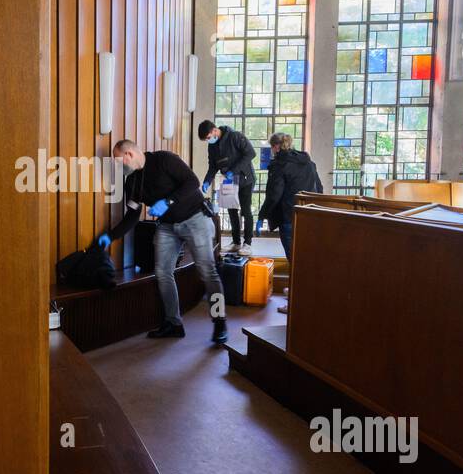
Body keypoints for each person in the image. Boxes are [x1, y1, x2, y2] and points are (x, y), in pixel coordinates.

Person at [97, 140, 228, 344]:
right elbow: (132, 215)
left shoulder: (164, 160)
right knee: (162, 272)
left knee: (207, 271)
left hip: (195, 219)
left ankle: (219, 321)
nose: (118, 166)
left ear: (129, 154)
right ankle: (173, 323)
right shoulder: (131, 182)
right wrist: (111, 236)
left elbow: (192, 182)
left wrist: (167, 202)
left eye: (118, 160)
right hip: (167, 227)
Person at [255, 133, 322, 261]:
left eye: (272, 147)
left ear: (276, 147)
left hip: (288, 215)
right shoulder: (308, 162)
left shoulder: (279, 165)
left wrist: (262, 215)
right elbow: (319, 188)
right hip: (309, 214)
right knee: (308, 255)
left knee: (293, 257)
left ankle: (297, 280)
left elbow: (274, 194)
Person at [197, 120, 257, 256]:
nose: (208, 140)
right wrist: (207, 181)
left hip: (245, 179)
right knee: (231, 210)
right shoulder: (212, 146)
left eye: (208, 137)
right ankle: (236, 243)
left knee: (246, 210)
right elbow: (213, 166)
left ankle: (247, 243)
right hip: (228, 180)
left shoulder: (235, 136)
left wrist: (233, 170)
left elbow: (251, 154)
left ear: (214, 131)